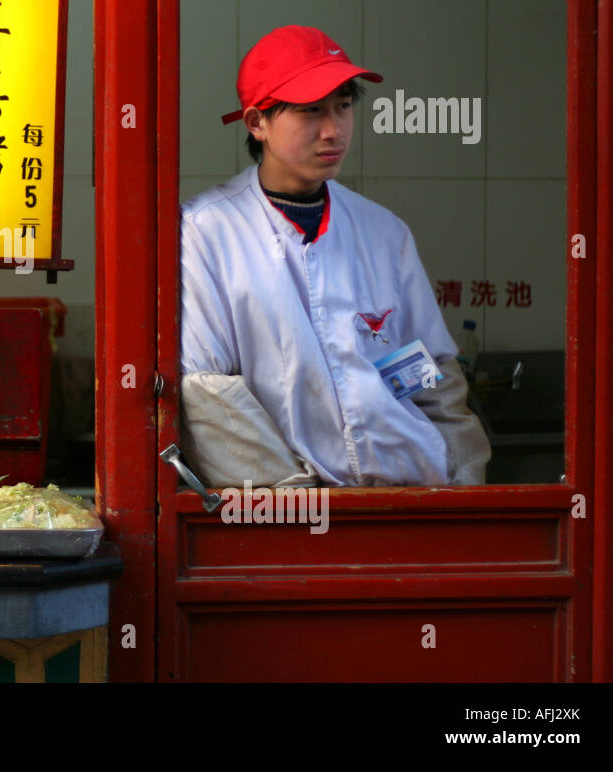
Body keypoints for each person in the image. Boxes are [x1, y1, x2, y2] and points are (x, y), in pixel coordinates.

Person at [179, 25, 490, 487]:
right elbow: (206, 396)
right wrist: (295, 506)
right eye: (310, 112)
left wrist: (463, 488)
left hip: (411, 498)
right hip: (298, 514)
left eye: (343, 106)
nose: (333, 130)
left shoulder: (382, 231)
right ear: (256, 123)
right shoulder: (207, 231)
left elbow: (433, 379)